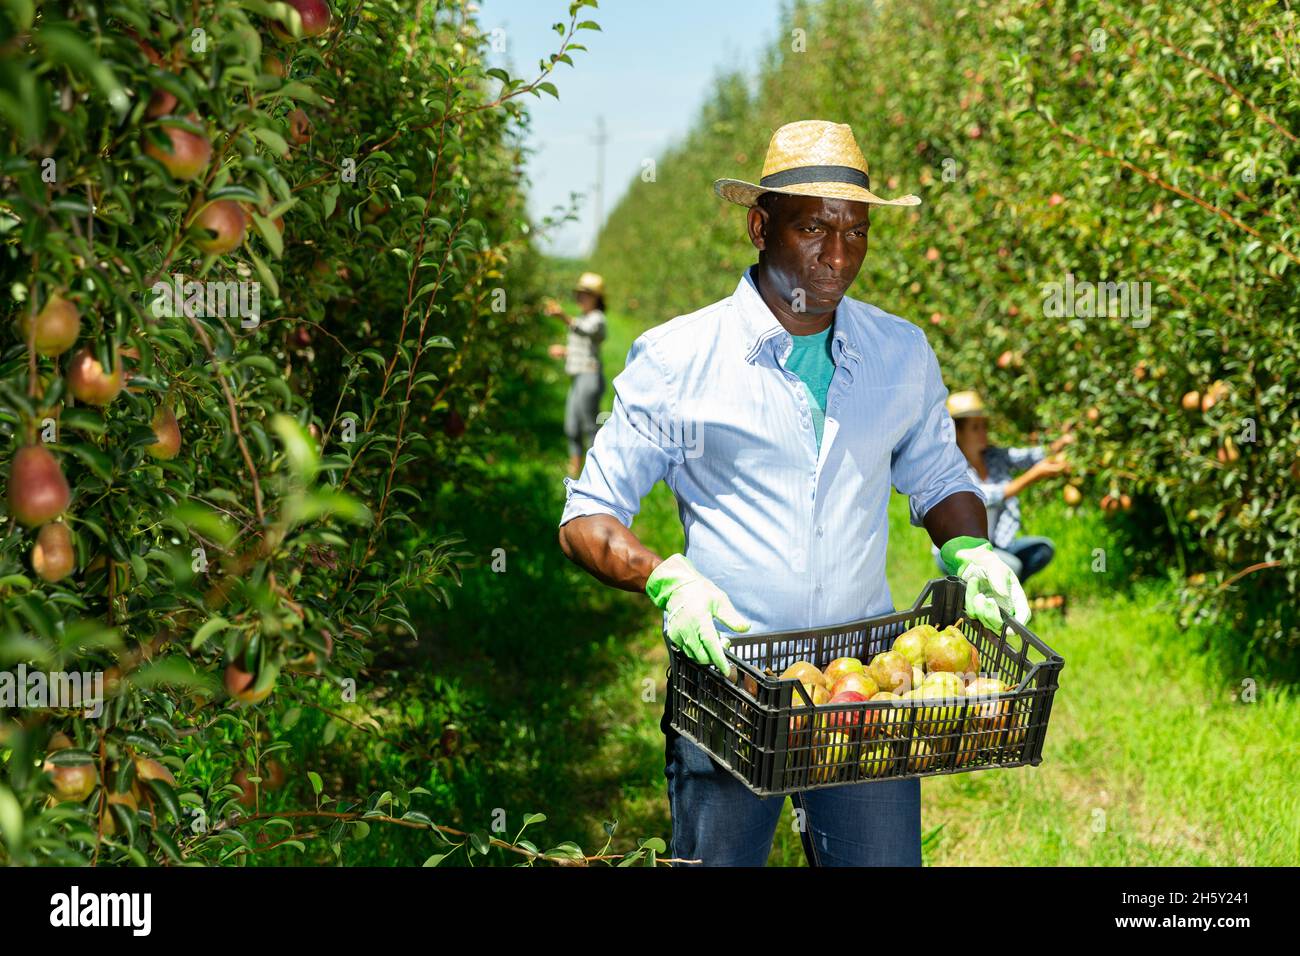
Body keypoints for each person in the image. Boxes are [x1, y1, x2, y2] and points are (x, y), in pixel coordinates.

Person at [557, 120, 1031, 867]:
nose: (838, 255)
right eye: (814, 228)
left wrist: (971, 546)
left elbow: (939, 475)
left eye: (856, 231)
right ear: (759, 225)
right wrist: (665, 579)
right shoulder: (681, 359)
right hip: (730, 686)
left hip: (865, 684)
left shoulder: (897, 353)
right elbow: (587, 514)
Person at [931, 390, 1074, 586]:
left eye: (984, 426)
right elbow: (983, 497)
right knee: (1011, 566)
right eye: (975, 428)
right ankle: (998, 599)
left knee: (1042, 549)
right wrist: (1033, 476)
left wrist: (1060, 445)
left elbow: (1029, 457)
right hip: (958, 549)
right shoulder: (950, 468)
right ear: (957, 432)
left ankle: (997, 595)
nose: (983, 432)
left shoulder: (993, 457)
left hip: (993, 545)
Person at [546, 272, 608, 478]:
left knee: (590, 427)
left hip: (589, 377)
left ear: (596, 298)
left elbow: (586, 331)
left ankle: (597, 473)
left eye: (586, 294)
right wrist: (564, 351)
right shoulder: (582, 317)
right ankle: (575, 469)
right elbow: (583, 346)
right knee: (572, 426)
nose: (580, 298)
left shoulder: (598, 319)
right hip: (578, 377)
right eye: (579, 294)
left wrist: (562, 316)